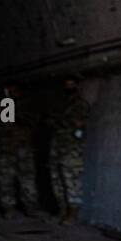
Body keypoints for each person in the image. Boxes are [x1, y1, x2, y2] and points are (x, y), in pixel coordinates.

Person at [0, 82, 39, 218]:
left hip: (23, 148)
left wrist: (15, 111)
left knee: (27, 179)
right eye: (8, 89)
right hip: (4, 149)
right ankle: (8, 208)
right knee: (5, 179)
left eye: (13, 89)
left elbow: (33, 122)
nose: (11, 91)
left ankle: (31, 208)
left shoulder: (27, 105)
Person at [48, 76, 90, 225]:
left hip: (72, 149)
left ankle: (73, 213)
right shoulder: (60, 105)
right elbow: (50, 121)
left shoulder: (80, 104)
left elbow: (78, 123)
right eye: (66, 84)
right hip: (57, 147)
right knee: (56, 180)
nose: (69, 87)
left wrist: (62, 121)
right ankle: (62, 210)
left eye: (71, 84)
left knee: (72, 181)